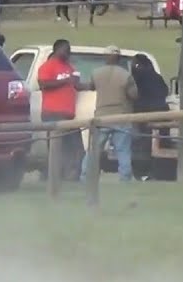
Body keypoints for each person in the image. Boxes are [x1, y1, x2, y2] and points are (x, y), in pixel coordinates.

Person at [81, 46, 139, 183]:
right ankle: (125, 179)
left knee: (93, 150)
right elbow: (134, 95)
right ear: (119, 58)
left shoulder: (96, 73)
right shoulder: (125, 75)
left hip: (101, 116)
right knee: (123, 151)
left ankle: (85, 177)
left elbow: (91, 86)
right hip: (121, 117)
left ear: (105, 57)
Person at [36, 38, 85, 181]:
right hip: (52, 113)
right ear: (57, 50)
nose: (69, 52)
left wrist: (91, 85)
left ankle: (70, 177)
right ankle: (52, 177)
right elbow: (43, 84)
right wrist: (65, 81)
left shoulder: (69, 67)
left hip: (68, 115)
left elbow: (76, 85)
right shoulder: (48, 66)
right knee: (56, 148)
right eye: (66, 49)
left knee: (75, 148)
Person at [130, 53, 170, 176]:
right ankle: (159, 171)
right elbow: (165, 91)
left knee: (144, 144)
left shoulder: (137, 78)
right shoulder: (157, 77)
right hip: (161, 113)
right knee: (161, 143)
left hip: (145, 114)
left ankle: (143, 172)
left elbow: (133, 95)